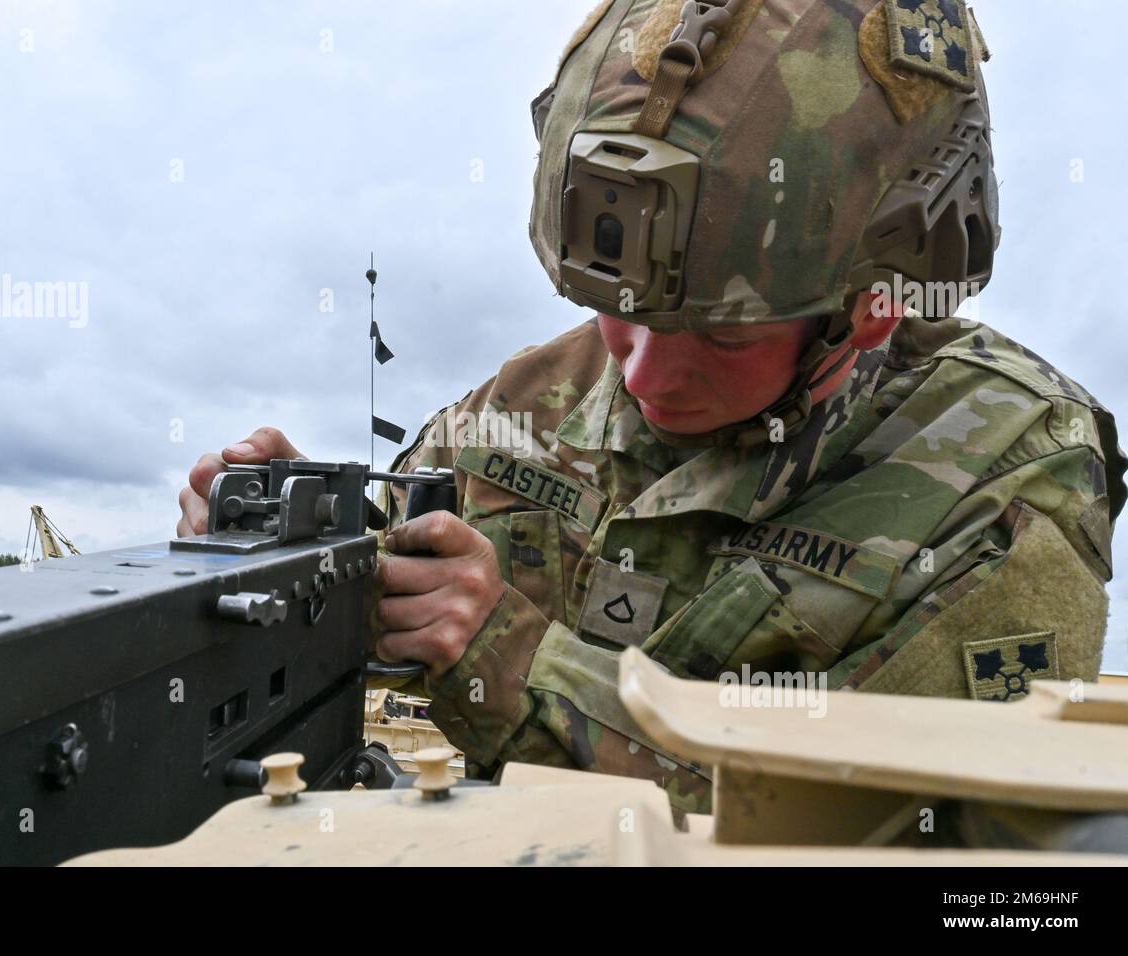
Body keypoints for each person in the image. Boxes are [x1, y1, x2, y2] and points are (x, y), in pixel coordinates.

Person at [179, 0, 1125, 812]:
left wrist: (510, 657)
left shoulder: (1001, 472)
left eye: (722, 335)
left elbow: (885, 819)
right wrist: (290, 558)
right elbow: (392, 578)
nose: (641, 376)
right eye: (619, 314)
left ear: (871, 313)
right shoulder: (523, 407)